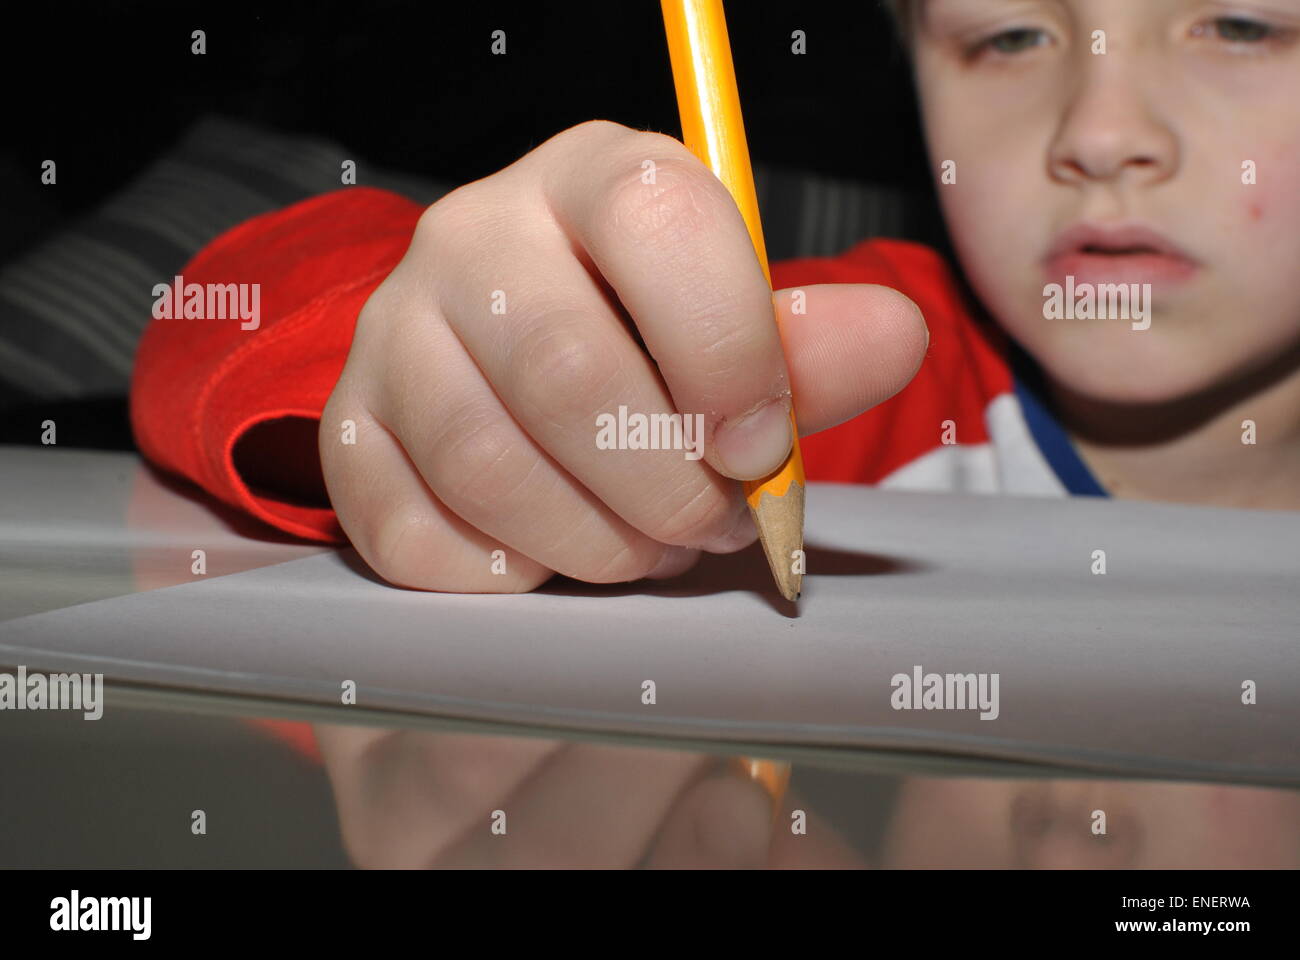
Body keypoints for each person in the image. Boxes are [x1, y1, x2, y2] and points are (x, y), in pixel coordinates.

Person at [129, 0, 1300, 867]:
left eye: (1242, 23)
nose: (1098, 132)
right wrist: (444, 359)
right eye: (1006, 34)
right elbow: (233, 303)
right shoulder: (813, 383)